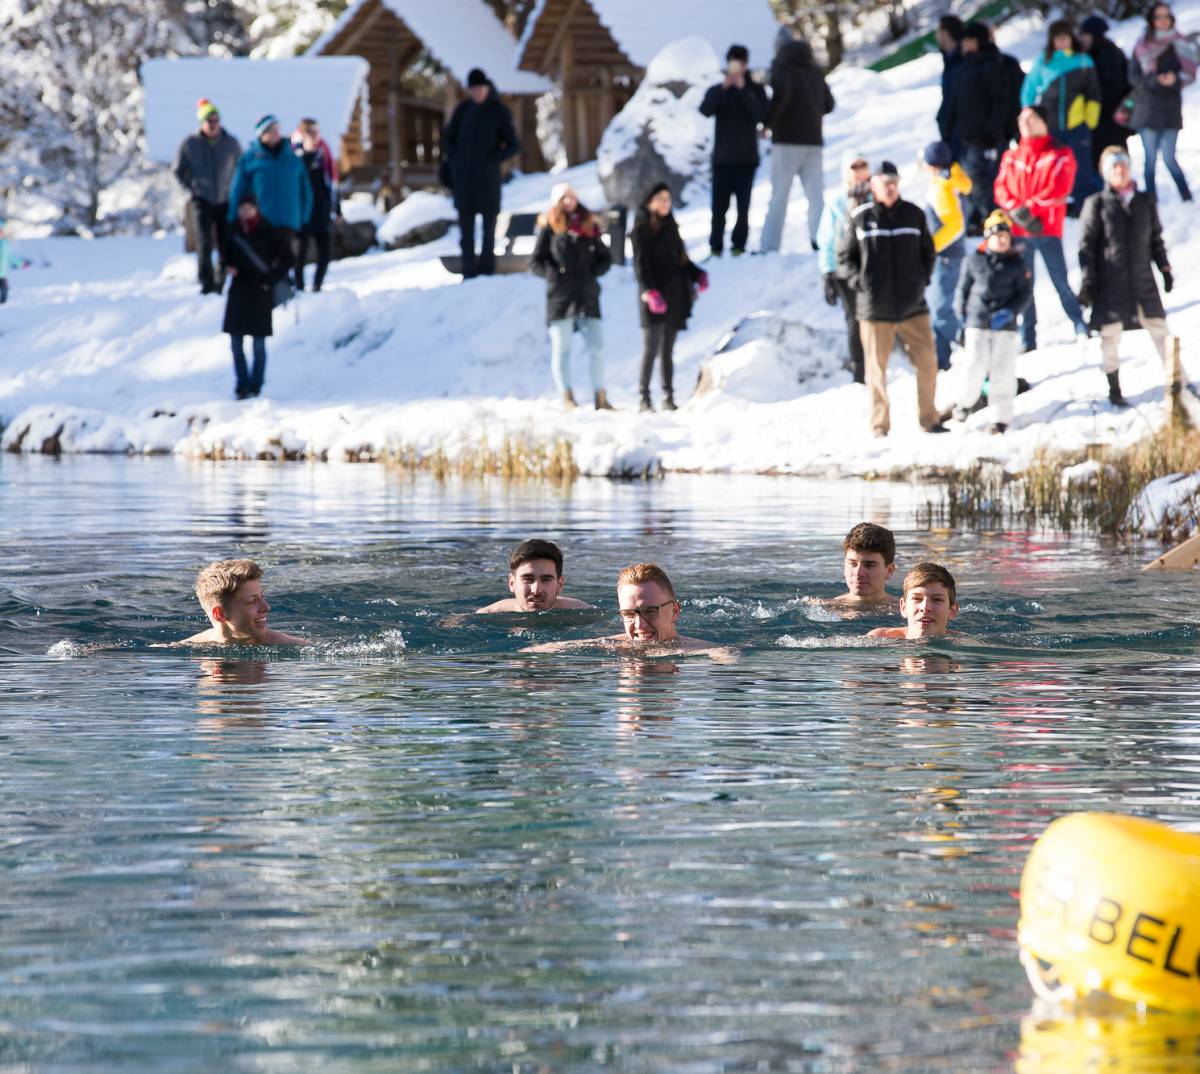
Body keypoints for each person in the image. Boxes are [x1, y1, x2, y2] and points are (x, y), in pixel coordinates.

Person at [837, 161, 948, 438]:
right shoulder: (860, 217)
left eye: (894, 182)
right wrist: (861, 284)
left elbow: (928, 252)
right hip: (875, 309)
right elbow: (845, 258)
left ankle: (929, 418)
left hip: (913, 305)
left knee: (927, 361)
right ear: (873, 185)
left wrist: (921, 280)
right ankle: (880, 425)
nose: (891, 187)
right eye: (885, 182)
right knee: (876, 370)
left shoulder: (913, 214)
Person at [1078, 146, 1174, 408]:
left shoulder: (1144, 201)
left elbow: (1155, 240)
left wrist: (1164, 268)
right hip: (1111, 283)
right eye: (1114, 166)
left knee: (1160, 329)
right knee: (1110, 337)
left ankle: (1178, 381)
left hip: (1142, 279)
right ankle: (1114, 388)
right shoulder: (1097, 204)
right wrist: (1088, 282)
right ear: (1106, 173)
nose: (1120, 170)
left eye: (1123, 165)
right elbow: (1086, 248)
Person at [994, 105, 1089, 352]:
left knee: (1060, 280)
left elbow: (1059, 188)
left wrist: (1029, 210)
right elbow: (1001, 188)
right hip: (1019, 232)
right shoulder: (1012, 156)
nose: (1026, 123)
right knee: (1025, 285)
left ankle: (1079, 323)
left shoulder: (1059, 153)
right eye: (1022, 119)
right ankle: (1028, 336)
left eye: (1032, 118)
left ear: (1044, 122)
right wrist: (1018, 211)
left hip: (1046, 229)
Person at [529, 183, 614, 411]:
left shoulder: (588, 225)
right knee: (562, 349)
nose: (568, 201)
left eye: (571, 196)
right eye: (563, 198)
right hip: (560, 298)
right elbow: (535, 262)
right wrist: (554, 275)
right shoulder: (550, 227)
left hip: (587, 295)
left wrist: (593, 272)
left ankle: (601, 397)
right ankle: (566, 396)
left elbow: (605, 258)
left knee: (597, 347)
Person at [950, 210, 1033, 433]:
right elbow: (962, 290)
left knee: (1002, 371)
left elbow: (1025, 294)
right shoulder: (973, 260)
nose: (1002, 240)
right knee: (974, 365)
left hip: (1004, 326)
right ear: (988, 237)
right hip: (977, 321)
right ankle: (964, 404)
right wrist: (961, 317)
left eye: (1006, 236)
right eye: (998, 236)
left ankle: (1000, 417)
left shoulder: (1017, 264)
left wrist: (1011, 312)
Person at [524, 562, 723, 655]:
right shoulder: (611, 645)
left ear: (675, 611)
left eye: (650, 611)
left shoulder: (702, 651)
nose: (640, 625)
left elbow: (727, 661)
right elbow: (543, 650)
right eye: (628, 614)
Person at [632, 183, 706, 412]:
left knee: (668, 350)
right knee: (651, 348)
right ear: (650, 201)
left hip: (675, 295)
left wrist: (697, 274)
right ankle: (644, 397)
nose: (666, 203)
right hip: (653, 296)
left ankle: (668, 395)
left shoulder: (671, 226)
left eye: (668, 198)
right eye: (661, 198)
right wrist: (649, 291)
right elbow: (640, 265)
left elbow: (681, 259)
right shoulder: (641, 229)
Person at [760, 27, 835, 253]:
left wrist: (767, 122)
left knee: (779, 196)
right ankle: (820, 242)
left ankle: (770, 246)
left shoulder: (780, 67)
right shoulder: (814, 69)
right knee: (816, 197)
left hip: (786, 141)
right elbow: (829, 104)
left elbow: (780, 99)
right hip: (813, 141)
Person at [443, 68, 520, 278]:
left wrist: (493, 158)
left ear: (486, 87)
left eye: (479, 88)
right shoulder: (463, 110)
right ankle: (468, 270)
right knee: (466, 231)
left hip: (488, 181)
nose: (476, 92)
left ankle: (487, 269)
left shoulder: (499, 111)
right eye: (473, 89)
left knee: (488, 230)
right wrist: (456, 160)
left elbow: (513, 144)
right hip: (464, 182)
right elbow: (448, 139)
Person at [1021, 21, 1103, 215]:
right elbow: (1029, 90)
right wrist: (1029, 117)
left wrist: (1089, 121)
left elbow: (1094, 94)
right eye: (1058, 38)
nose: (1062, 42)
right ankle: (1056, 207)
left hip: (1077, 124)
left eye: (1065, 37)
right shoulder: (1043, 62)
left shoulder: (1082, 60)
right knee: (1053, 169)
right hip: (1050, 126)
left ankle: (1086, 208)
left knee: (1082, 168)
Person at [699, 44, 768, 257]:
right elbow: (705, 110)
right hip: (722, 160)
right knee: (718, 208)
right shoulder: (720, 89)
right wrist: (724, 87)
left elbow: (761, 115)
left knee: (743, 208)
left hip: (746, 160)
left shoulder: (755, 89)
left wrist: (744, 90)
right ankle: (715, 247)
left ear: (746, 65)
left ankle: (739, 245)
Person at [222, 193, 293, 400]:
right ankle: (241, 384)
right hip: (238, 292)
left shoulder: (269, 230)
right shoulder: (232, 230)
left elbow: (288, 259)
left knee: (258, 344)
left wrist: (270, 280)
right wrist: (227, 266)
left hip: (260, 293)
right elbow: (224, 255)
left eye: (248, 208)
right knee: (236, 344)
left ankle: (256, 385)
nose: (245, 212)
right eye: (242, 209)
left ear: (256, 209)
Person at [1129, 2, 1197, 201]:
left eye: (1166, 16)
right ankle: (1151, 200)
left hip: (1170, 111)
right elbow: (1133, 77)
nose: (1163, 21)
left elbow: (1190, 73)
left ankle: (1186, 197)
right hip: (1147, 111)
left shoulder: (1180, 43)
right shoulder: (1142, 45)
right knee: (1149, 160)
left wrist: (1175, 80)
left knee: (1169, 158)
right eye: (1158, 17)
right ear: (1151, 20)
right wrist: (1154, 80)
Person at [172, 98, 241, 295]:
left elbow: (241, 168)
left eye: (216, 120)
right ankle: (206, 282)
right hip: (202, 200)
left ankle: (221, 280)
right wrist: (192, 189)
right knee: (204, 242)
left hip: (225, 200)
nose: (213, 125)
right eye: (209, 121)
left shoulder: (231, 143)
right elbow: (178, 171)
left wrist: (235, 191)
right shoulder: (190, 144)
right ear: (201, 123)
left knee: (225, 242)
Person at [943, 22, 1006, 234]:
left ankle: (994, 222)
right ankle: (975, 220)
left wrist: (991, 133)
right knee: (968, 182)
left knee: (983, 183)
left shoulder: (991, 65)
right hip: (964, 138)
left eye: (968, 40)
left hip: (985, 138)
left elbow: (1000, 102)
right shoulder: (962, 67)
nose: (964, 44)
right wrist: (946, 128)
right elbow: (953, 103)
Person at [817, 150, 872, 383]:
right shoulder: (837, 202)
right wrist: (827, 272)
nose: (859, 171)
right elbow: (827, 239)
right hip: (845, 269)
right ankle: (859, 370)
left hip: (873, 266)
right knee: (854, 319)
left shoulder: (877, 195)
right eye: (853, 167)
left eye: (862, 165)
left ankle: (877, 363)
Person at [923, 140, 973, 370]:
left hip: (945, 255)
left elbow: (954, 224)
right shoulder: (952, 181)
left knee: (941, 309)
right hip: (949, 254)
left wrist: (931, 246)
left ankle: (970, 342)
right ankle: (940, 360)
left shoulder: (942, 186)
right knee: (937, 308)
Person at [177, 559, 309, 646]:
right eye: (252, 601)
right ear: (220, 614)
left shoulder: (293, 645)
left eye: (262, 597)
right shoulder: (187, 647)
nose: (266, 607)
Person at [227, 115, 312, 247]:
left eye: (277, 128)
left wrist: (305, 219)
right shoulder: (250, 158)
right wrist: (232, 218)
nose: (276, 133)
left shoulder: (293, 156)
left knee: (287, 258)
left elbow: (305, 190)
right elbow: (237, 190)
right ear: (262, 134)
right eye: (271, 130)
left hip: (289, 221)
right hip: (261, 224)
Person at [476, 539, 593, 613]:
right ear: (512, 583)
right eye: (528, 579)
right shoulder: (487, 616)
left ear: (559, 584)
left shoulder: (584, 612)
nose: (536, 590)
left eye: (546, 579)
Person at [1079, 16, 1133, 171]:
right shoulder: (1093, 54)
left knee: (1114, 161)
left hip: (1110, 119)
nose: (1083, 39)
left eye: (1086, 35)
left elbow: (1115, 88)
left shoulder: (1107, 55)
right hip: (1102, 119)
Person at [291, 118, 338, 292]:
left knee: (325, 254)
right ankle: (299, 288)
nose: (316, 135)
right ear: (303, 134)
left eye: (317, 131)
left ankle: (317, 286)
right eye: (311, 132)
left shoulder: (324, 152)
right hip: (303, 213)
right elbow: (295, 179)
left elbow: (332, 182)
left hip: (322, 210)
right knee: (299, 255)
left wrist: (336, 208)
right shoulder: (294, 154)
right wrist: (308, 153)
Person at [867, 563, 959, 640]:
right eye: (917, 599)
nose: (925, 607)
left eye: (937, 599)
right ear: (903, 607)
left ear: (952, 611)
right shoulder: (878, 638)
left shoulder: (961, 644)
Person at [830, 522, 899, 608]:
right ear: (844, 566)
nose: (858, 573)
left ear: (889, 571)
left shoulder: (904, 611)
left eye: (869, 565)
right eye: (853, 564)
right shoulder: (826, 609)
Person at [935, 15, 966, 152]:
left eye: (938, 31)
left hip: (963, 135)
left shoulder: (962, 60)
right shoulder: (949, 60)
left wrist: (946, 124)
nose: (936, 36)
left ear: (945, 33)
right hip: (952, 134)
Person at [0, 216, 9, 305]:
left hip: (2, 272)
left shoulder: (5, 243)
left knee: (5, 289)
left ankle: (3, 303)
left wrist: (20, 263)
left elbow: (9, 256)